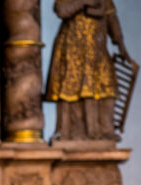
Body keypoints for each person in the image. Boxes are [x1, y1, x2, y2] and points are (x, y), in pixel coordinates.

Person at [45, 0, 132, 141]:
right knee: (70, 87)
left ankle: (104, 129)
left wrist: (121, 44)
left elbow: (112, 18)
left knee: (106, 88)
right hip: (72, 50)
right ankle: (68, 131)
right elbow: (61, 10)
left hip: (96, 50)